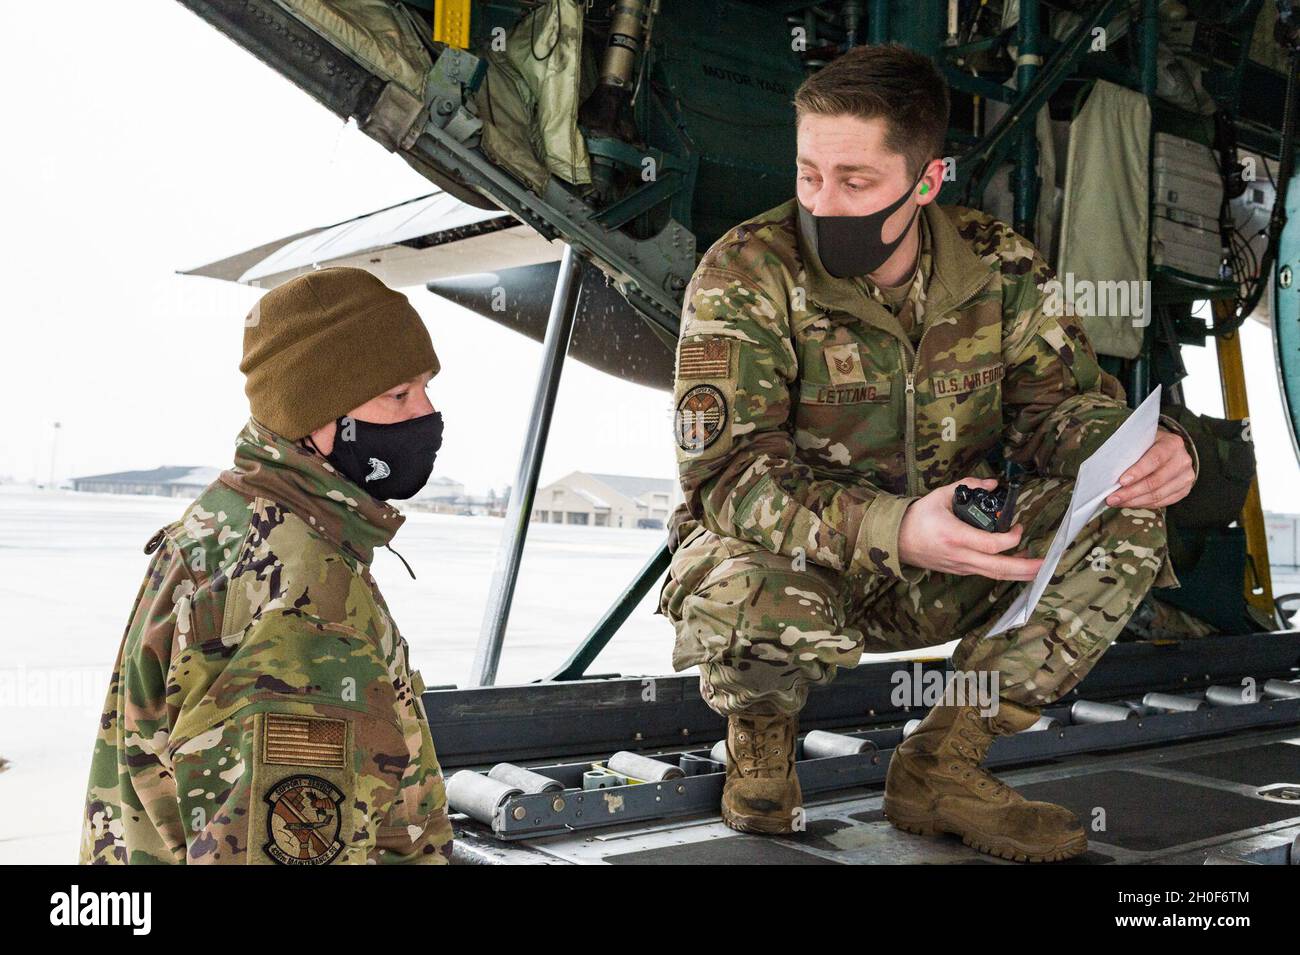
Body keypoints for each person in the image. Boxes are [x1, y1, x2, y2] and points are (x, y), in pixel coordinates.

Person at [660, 44, 1198, 862]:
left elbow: (1057, 410)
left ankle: (943, 762)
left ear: (926, 181)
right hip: (808, 573)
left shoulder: (1001, 266)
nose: (821, 203)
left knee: (1125, 520)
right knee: (739, 575)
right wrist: (895, 525)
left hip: (958, 560)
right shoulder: (747, 271)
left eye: (855, 181)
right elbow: (726, 475)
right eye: (808, 174)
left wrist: (1148, 451)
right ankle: (761, 739)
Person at [81, 267, 454, 864]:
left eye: (427, 388)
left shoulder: (232, 523)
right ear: (317, 415)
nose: (428, 414)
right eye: (399, 394)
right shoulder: (300, 594)